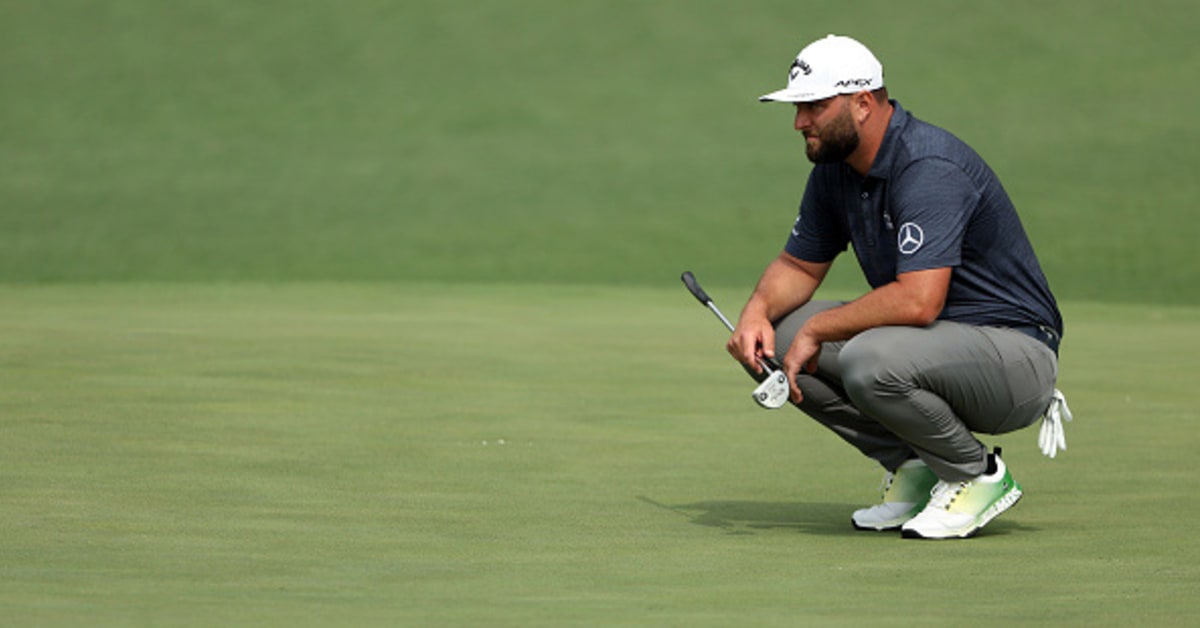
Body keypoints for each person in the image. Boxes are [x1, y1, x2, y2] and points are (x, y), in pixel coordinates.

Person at [728, 34, 1072, 539]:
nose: (801, 121)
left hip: (1017, 359)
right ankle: (916, 470)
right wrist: (756, 312)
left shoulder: (928, 167)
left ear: (863, 103)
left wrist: (821, 328)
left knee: (869, 359)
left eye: (815, 106)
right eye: (799, 107)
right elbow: (799, 267)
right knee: (775, 339)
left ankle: (977, 474)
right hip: (934, 348)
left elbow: (918, 299)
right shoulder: (836, 168)